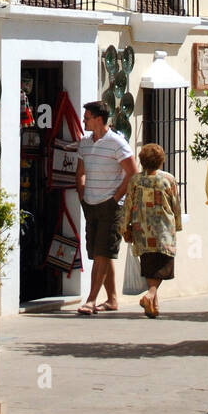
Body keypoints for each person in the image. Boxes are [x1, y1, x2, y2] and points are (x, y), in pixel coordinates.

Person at [75, 100, 137, 314]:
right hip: (90, 204)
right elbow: (80, 171)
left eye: (87, 117)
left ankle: (91, 300)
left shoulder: (117, 143)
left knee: (102, 252)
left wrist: (115, 198)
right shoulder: (84, 143)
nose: (84, 120)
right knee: (99, 251)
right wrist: (82, 193)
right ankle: (111, 300)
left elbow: (132, 173)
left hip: (110, 205)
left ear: (99, 119)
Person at [119, 143, 182, 318]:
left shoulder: (135, 181)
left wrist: (125, 228)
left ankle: (153, 304)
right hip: (163, 231)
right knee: (163, 264)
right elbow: (176, 204)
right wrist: (177, 224)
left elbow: (128, 205)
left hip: (141, 230)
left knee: (149, 265)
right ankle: (150, 295)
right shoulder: (168, 179)